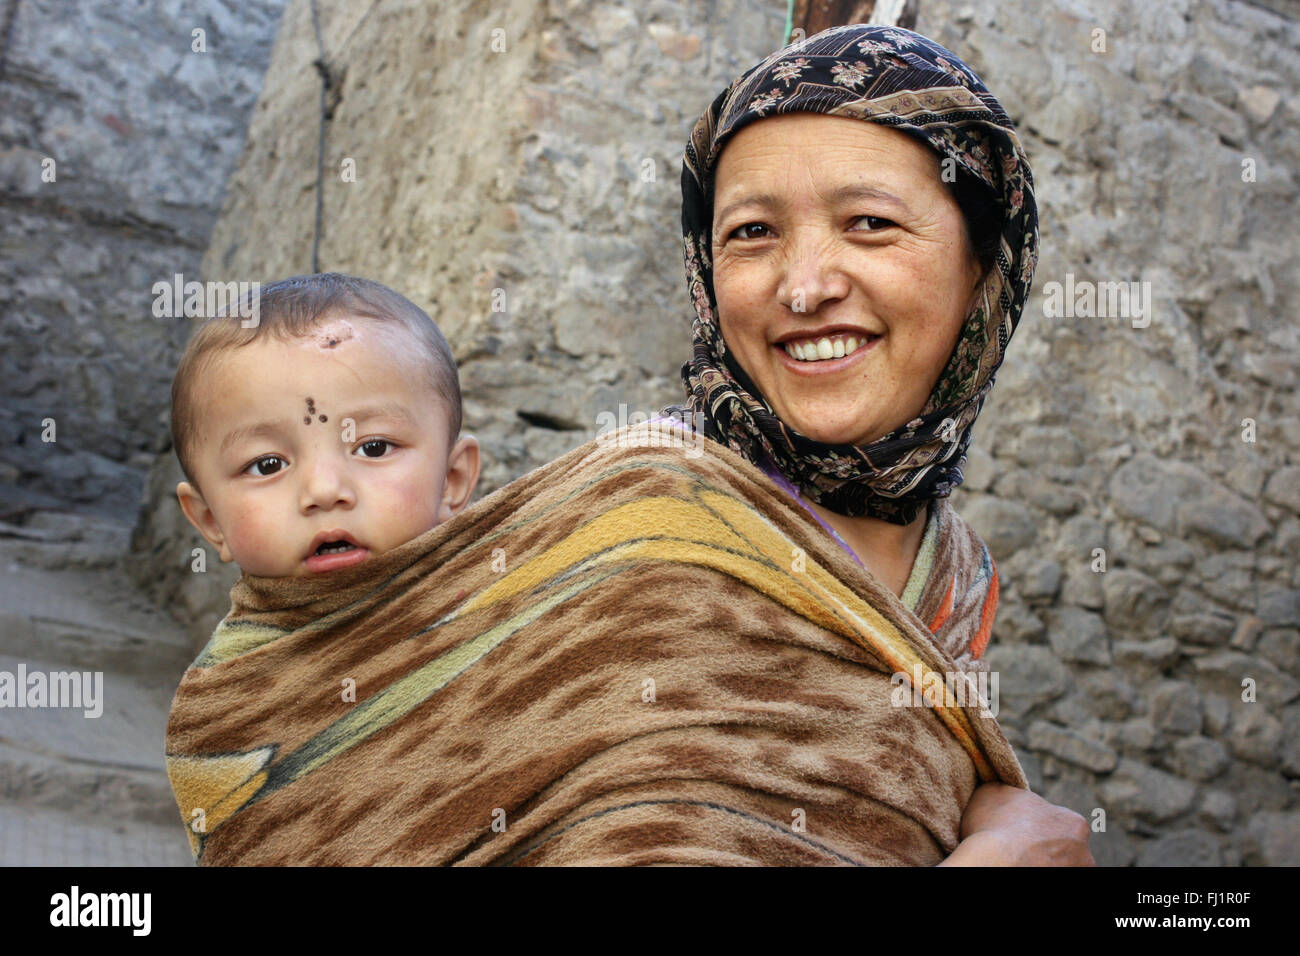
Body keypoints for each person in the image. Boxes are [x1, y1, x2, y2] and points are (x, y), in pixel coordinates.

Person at [660, 24, 1094, 865]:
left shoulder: (958, 582)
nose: (807, 286)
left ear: (982, 270)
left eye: (868, 222)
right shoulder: (625, 520)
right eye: (751, 232)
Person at [169, 272, 481, 578]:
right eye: (267, 465)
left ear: (450, 481)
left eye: (374, 448)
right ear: (211, 521)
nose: (324, 491)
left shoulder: (509, 605)